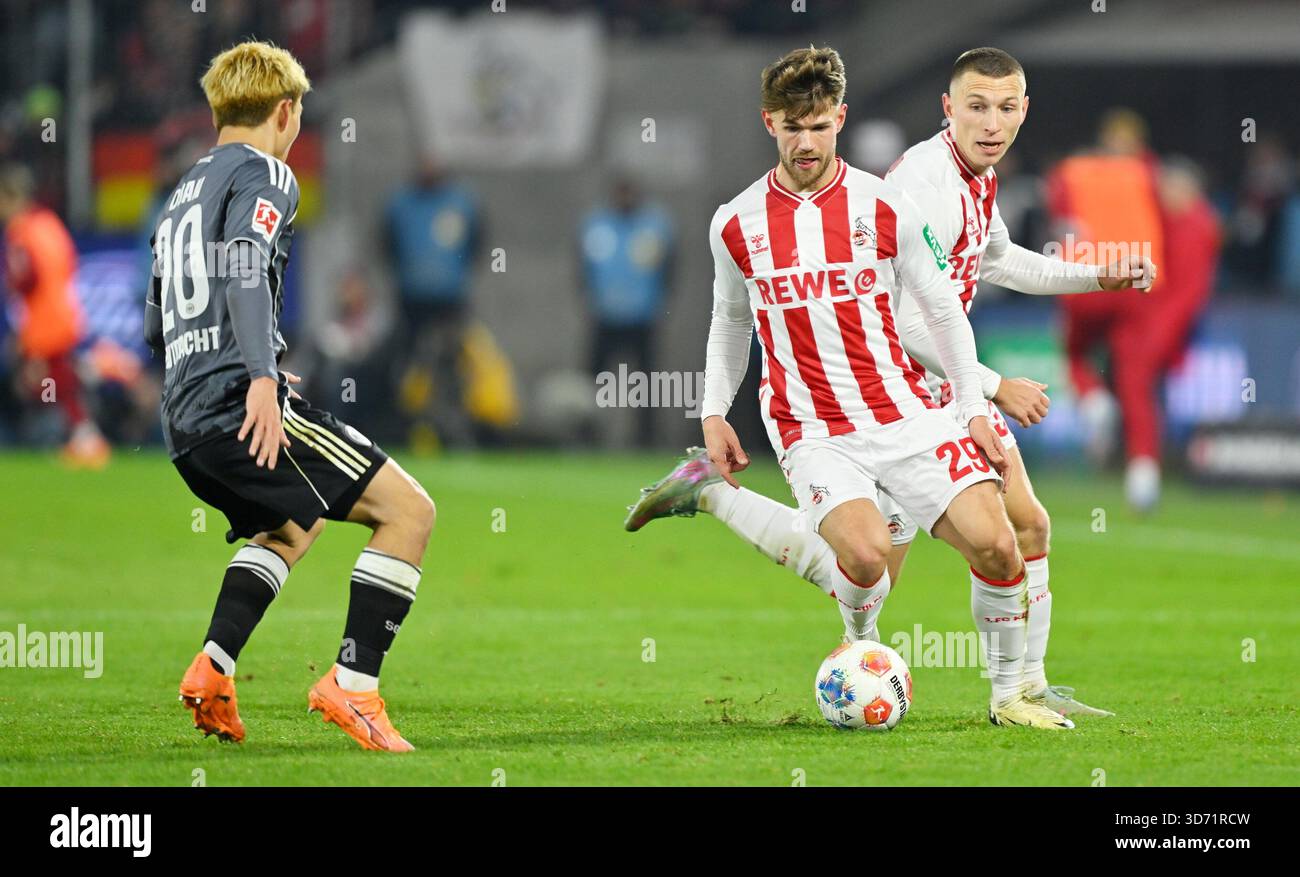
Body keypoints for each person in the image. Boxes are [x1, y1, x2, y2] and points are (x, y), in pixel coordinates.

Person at [629, 45, 1086, 730]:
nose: (805, 141)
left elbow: (944, 315)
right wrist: (713, 411)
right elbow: (729, 320)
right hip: (813, 427)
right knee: (868, 553)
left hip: (905, 411)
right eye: (791, 126)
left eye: (818, 126)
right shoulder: (737, 222)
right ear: (769, 124)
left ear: (839, 119)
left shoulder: (887, 207)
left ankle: (1009, 697)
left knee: (998, 542)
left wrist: (973, 409)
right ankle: (857, 637)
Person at [146, 41, 435, 752]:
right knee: (408, 512)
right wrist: (261, 377)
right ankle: (354, 686)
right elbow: (246, 265)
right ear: (286, 110)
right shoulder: (267, 174)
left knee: (291, 522)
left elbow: (156, 318)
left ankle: (212, 666)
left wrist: (242, 360)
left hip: (184, 418)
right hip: (232, 399)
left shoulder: (180, 194)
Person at [0, 162, 110, 467]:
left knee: (45, 384)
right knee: (56, 384)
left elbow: (26, 277)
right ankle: (81, 430)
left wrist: (12, 284)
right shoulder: (49, 223)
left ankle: (86, 434)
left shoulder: (20, 231)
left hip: (43, 323)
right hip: (64, 313)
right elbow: (68, 262)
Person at [384, 156, 481, 448]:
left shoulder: (461, 203)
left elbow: (475, 244)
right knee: (406, 365)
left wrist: (452, 274)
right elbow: (388, 245)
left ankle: (457, 429)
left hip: (450, 299)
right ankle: (403, 428)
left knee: (453, 366)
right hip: (412, 298)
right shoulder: (400, 205)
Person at [580, 177, 675, 444]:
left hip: (641, 317)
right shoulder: (596, 225)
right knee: (594, 383)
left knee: (646, 384)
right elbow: (583, 270)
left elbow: (670, 269)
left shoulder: (655, 226)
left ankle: (646, 439)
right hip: (605, 316)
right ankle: (589, 436)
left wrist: (658, 304)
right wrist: (591, 302)